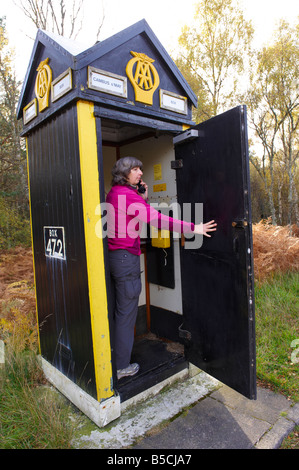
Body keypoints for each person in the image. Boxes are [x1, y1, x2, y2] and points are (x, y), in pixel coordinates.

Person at [106, 156, 217, 380]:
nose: (140, 173)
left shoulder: (115, 193)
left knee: (123, 312)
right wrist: (192, 228)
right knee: (127, 314)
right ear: (124, 173)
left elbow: (139, 214)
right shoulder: (127, 195)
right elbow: (156, 220)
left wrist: (143, 197)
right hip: (126, 259)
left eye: (140, 169)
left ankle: (116, 362)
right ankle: (120, 367)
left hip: (118, 257)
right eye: (135, 169)